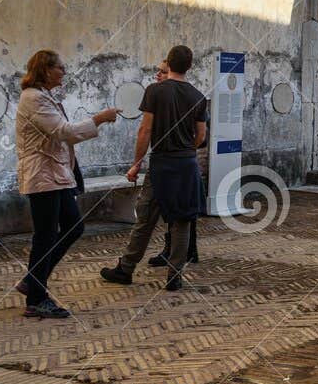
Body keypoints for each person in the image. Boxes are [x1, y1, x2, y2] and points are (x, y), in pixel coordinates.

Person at [15, 50, 119, 317]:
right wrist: (99, 118)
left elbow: (65, 135)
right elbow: (64, 132)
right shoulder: (34, 98)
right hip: (42, 176)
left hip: (56, 174)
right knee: (46, 235)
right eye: (60, 68)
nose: (64, 72)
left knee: (73, 226)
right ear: (45, 70)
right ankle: (36, 298)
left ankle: (32, 281)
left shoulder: (45, 97)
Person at [102, 45, 208, 292]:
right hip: (186, 164)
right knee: (182, 220)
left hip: (161, 164)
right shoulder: (198, 97)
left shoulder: (155, 91)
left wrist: (137, 161)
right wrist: (184, 148)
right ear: (189, 66)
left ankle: (126, 268)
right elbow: (201, 135)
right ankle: (174, 275)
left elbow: (145, 130)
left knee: (146, 218)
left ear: (168, 64)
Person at [147, 58, 201, 269]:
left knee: (182, 210)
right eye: (157, 71)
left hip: (181, 159)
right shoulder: (162, 95)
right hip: (181, 157)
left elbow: (200, 133)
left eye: (162, 72)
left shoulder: (182, 95)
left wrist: (186, 149)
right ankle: (177, 251)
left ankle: (184, 251)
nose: (158, 75)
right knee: (177, 209)